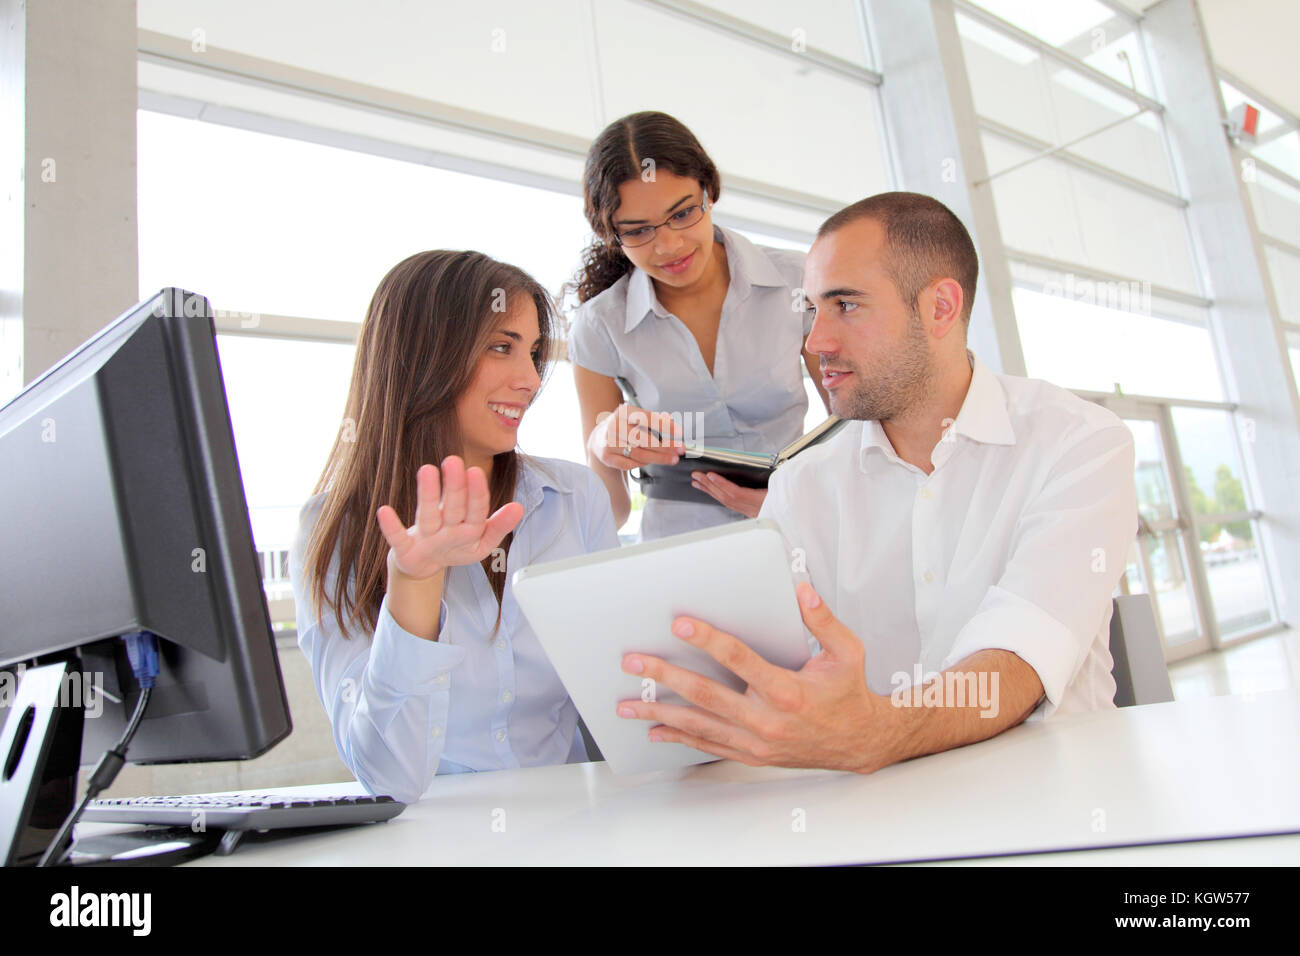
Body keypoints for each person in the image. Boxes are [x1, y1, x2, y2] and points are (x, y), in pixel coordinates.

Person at [614, 192, 1138, 771]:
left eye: (846, 305)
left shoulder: (1080, 443)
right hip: (874, 821)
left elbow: (1018, 659)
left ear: (940, 308)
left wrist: (878, 732)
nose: (816, 343)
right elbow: (765, 664)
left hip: (1056, 816)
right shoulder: (802, 484)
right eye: (813, 309)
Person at [289, 250, 619, 804]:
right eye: (501, 347)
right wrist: (415, 584)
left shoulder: (572, 499)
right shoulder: (334, 531)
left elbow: (618, 698)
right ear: (424, 355)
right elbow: (389, 777)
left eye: (535, 352)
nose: (531, 379)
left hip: (577, 831)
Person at [568, 111, 829, 540]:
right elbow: (610, 514)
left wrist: (793, 501)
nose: (668, 245)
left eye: (683, 212)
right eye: (638, 231)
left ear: (709, 191)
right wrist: (601, 446)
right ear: (611, 234)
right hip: (680, 548)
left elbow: (857, 426)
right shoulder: (600, 325)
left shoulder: (797, 281)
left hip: (803, 526)